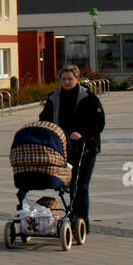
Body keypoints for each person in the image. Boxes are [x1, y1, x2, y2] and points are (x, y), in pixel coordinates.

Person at [37, 64, 105, 233]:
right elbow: (44, 118)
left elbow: (99, 122)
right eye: (64, 79)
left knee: (81, 185)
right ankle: (71, 216)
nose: (67, 82)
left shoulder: (88, 97)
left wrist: (82, 133)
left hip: (85, 148)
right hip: (62, 148)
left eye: (70, 79)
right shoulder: (54, 97)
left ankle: (82, 222)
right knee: (69, 184)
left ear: (77, 79)